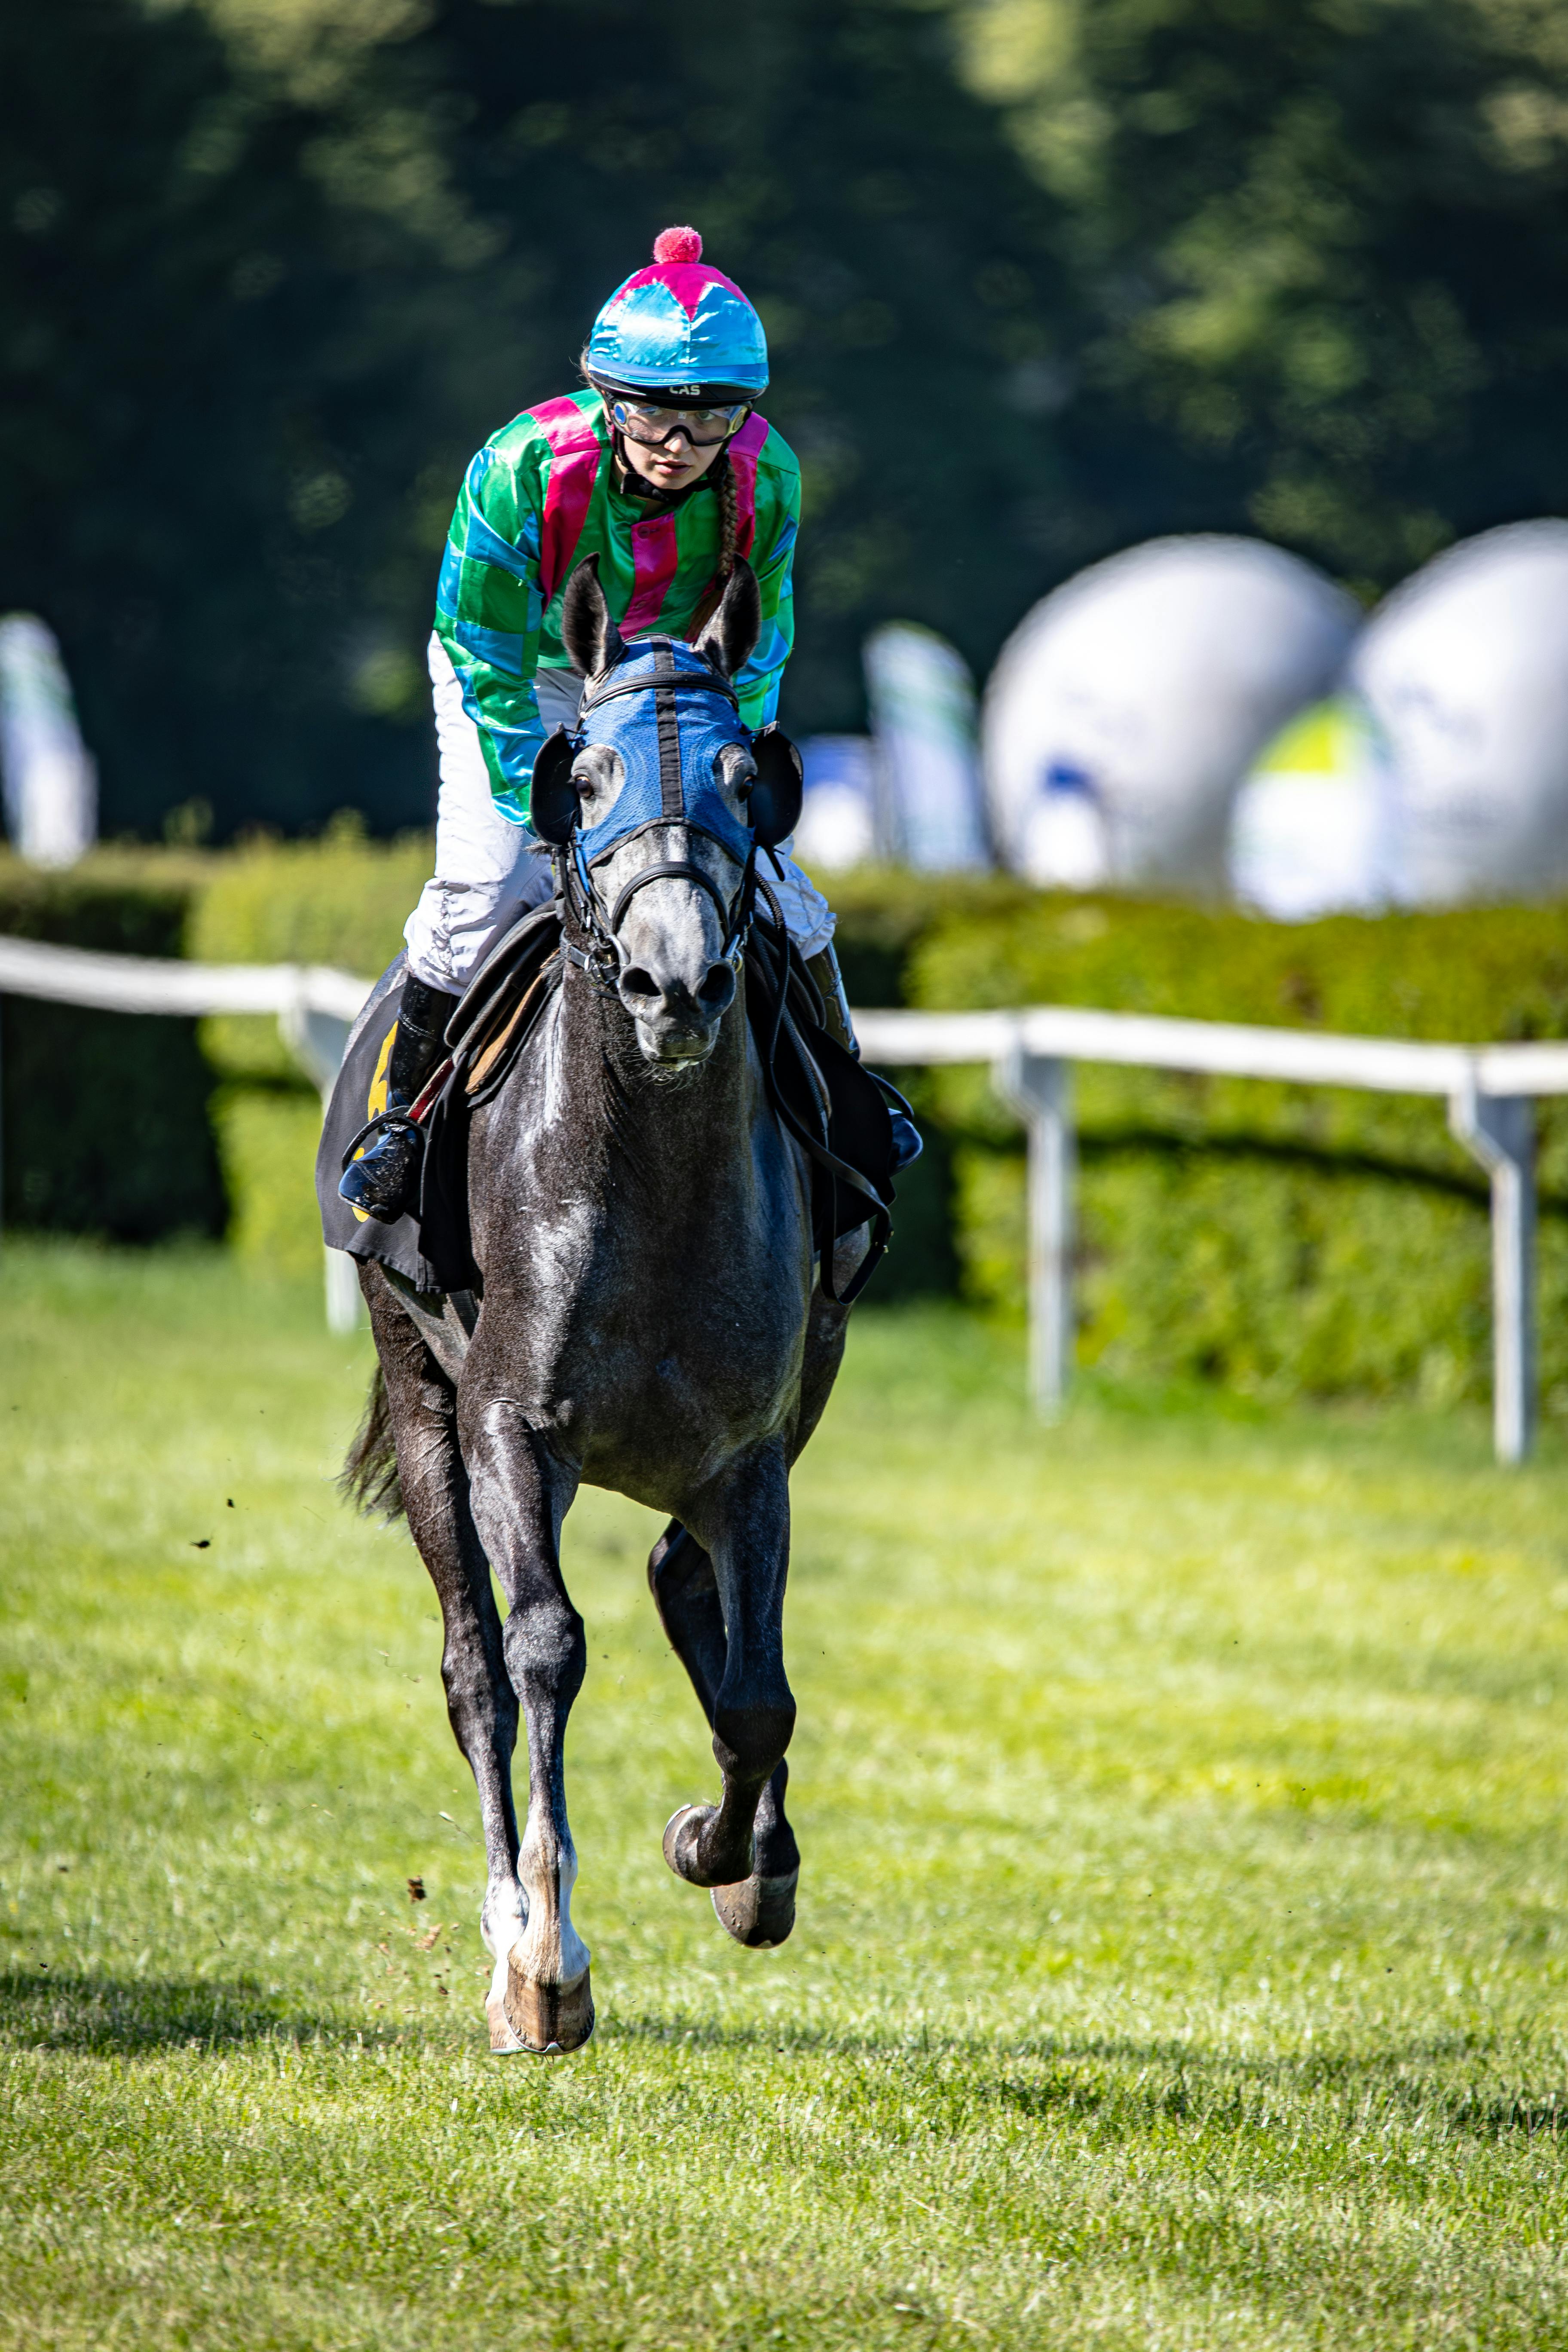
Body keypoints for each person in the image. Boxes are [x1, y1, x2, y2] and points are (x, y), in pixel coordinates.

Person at [342, 225, 918, 1222]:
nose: (680, 446)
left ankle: (849, 1098)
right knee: (486, 884)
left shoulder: (768, 477)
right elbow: (482, 648)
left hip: (665, 670)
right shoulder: (520, 466)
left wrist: (732, 771)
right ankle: (405, 1121)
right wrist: (543, 790)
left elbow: (761, 640)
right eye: (656, 416)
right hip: (516, 667)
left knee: (786, 898)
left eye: (711, 421)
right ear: (610, 396)